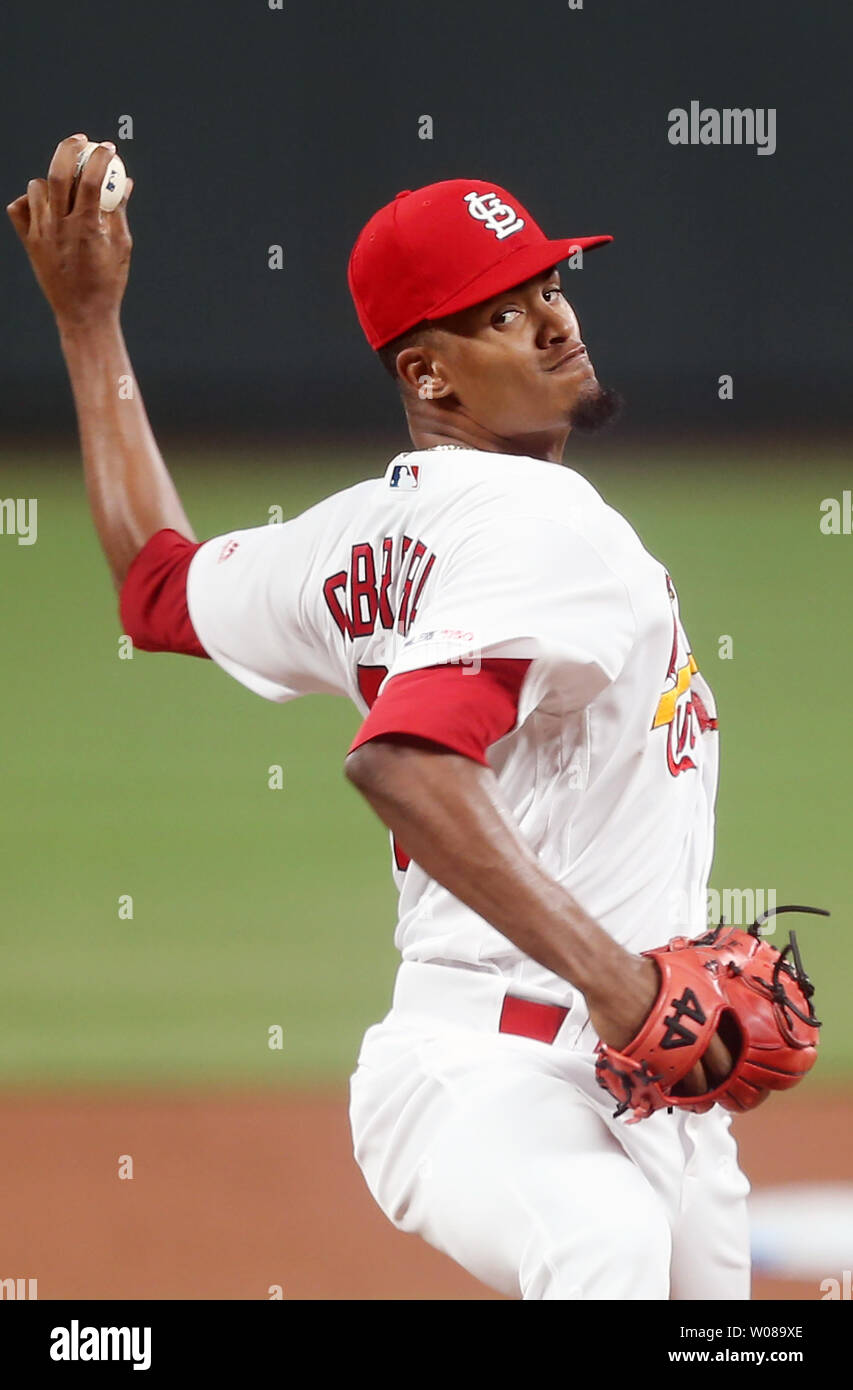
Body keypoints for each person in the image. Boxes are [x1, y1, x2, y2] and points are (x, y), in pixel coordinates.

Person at [8, 139, 747, 1301]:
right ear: (428, 375)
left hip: (625, 1078)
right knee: (604, 1253)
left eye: (551, 285)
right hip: (499, 1074)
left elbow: (155, 583)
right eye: (502, 314)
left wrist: (90, 324)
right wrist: (618, 978)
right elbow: (403, 761)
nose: (555, 320)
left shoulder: (359, 536)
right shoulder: (544, 529)